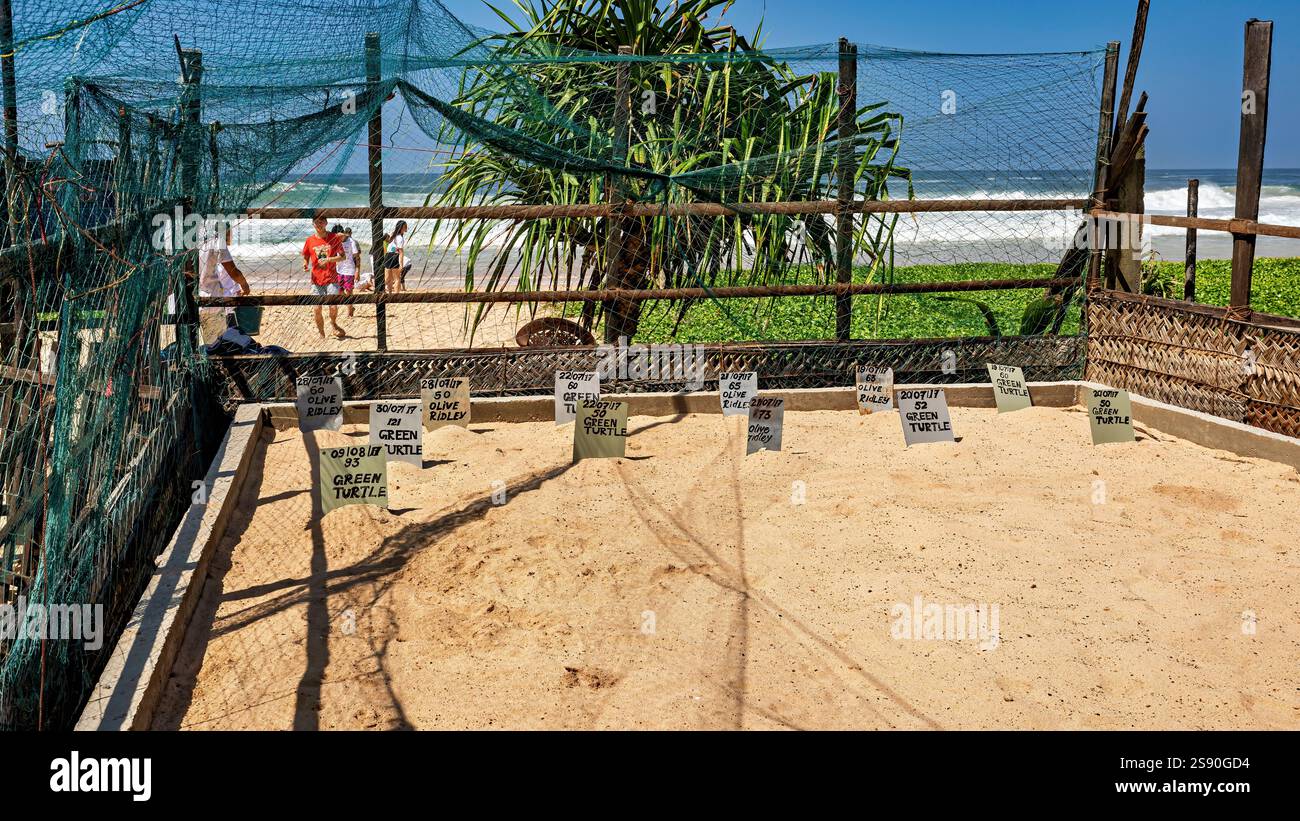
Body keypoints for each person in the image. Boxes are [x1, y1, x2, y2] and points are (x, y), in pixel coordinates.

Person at [197, 220, 251, 345]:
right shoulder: (217, 242)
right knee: (216, 344)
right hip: (212, 298)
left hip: (193, 297)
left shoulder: (194, 242)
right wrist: (244, 285)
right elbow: (233, 271)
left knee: (201, 340)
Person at [303, 214, 346, 338]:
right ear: (313, 224)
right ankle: (322, 333)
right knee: (317, 308)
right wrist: (305, 264)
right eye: (316, 222)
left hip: (331, 278)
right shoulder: (310, 240)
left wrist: (329, 260)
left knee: (333, 306)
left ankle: (333, 323)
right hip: (316, 280)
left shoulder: (334, 238)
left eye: (321, 222)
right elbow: (305, 255)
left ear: (326, 223)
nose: (319, 225)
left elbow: (343, 256)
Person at [332, 224, 361, 318]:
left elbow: (357, 257)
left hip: (350, 270)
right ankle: (350, 305)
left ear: (343, 233)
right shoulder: (335, 241)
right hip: (339, 270)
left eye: (339, 236)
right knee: (339, 291)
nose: (337, 238)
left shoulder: (351, 241)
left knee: (349, 291)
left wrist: (357, 271)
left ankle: (350, 311)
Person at [383, 220, 408, 294]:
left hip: (389, 255)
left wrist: (401, 263)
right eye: (405, 227)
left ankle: (393, 294)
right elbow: (401, 252)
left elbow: (398, 250)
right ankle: (393, 295)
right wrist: (401, 264)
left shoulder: (395, 235)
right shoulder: (399, 237)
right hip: (392, 256)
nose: (406, 228)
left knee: (390, 278)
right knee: (394, 278)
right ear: (400, 228)